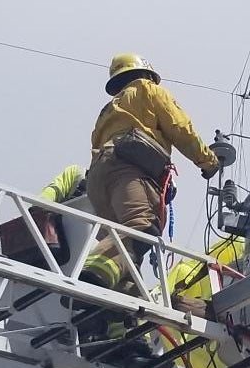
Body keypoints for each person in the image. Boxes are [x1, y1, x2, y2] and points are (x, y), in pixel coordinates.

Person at [80, 53, 219, 292]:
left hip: (98, 180)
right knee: (141, 228)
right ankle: (90, 275)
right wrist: (208, 161)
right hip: (128, 170)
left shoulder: (108, 110)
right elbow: (180, 127)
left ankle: (118, 304)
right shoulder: (147, 89)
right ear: (147, 74)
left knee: (126, 251)